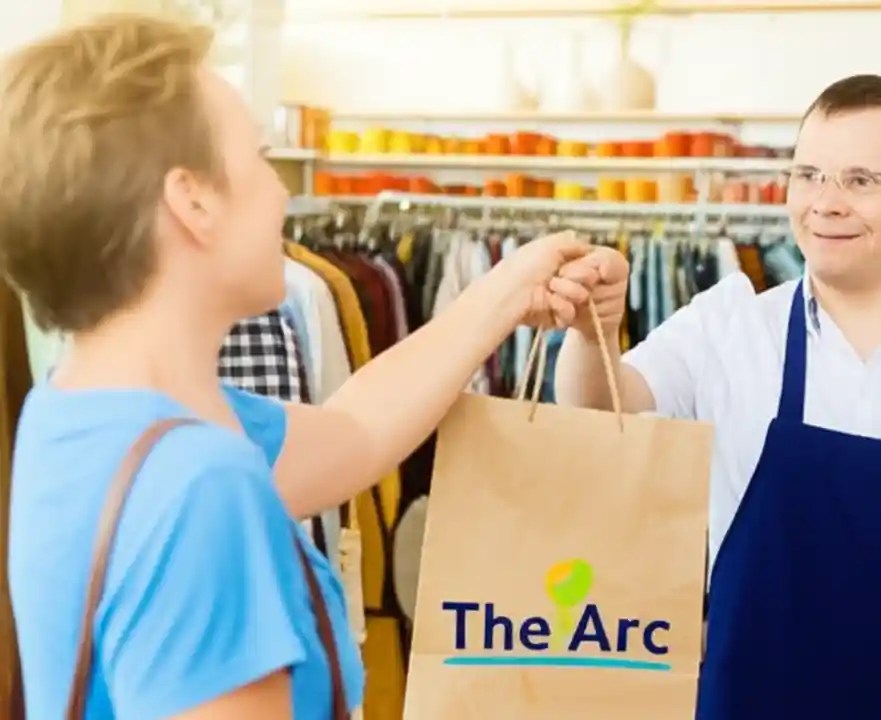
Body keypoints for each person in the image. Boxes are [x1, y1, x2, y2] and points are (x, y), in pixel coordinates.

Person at [0, 15, 600, 720]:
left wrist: (507, 289)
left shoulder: (80, 410)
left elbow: (355, 432)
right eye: (258, 158)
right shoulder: (198, 485)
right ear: (191, 200)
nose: (282, 192)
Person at [556, 75, 881, 718]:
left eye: (861, 180)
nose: (825, 202)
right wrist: (593, 334)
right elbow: (598, 411)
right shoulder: (726, 329)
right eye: (808, 175)